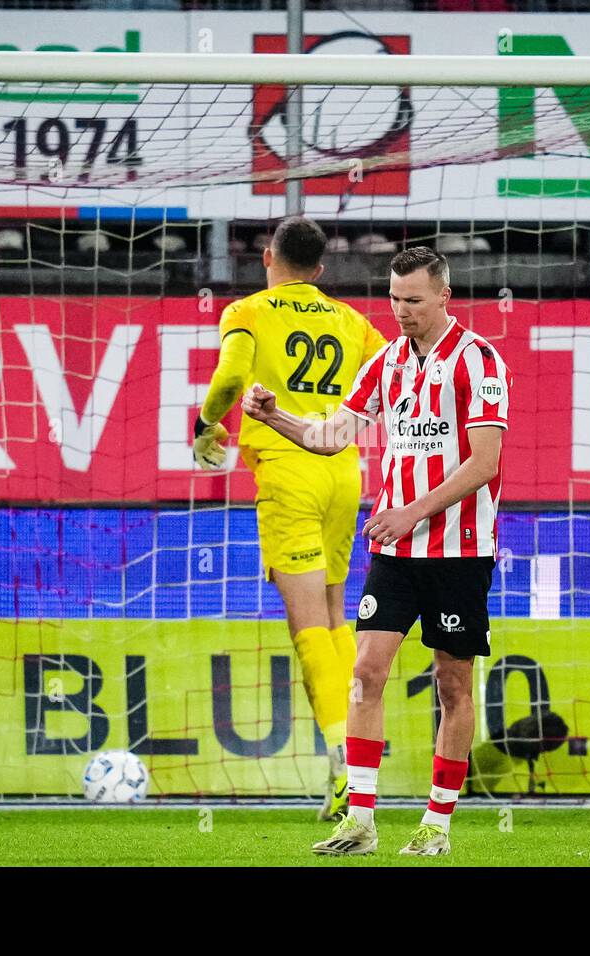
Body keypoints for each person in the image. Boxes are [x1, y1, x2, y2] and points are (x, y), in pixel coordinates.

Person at [241, 246, 511, 856]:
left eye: (413, 300)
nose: (401, 311)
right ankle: (360, 819)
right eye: (394, 299)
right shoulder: (388, 362)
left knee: (452, 683)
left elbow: (486, 462)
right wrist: (276, 415)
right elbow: (333, 435)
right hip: (396, 549)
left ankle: (436, 824)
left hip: (459, 549)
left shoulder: (480, 361)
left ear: (444, 296)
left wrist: (411, 512)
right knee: (365, 672)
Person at [192, 216, 387, 821]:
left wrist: (206, 423)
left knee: (305, 626)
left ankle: (346, 760)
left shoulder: (249, 310)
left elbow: (228, 376)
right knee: (333, 615)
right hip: (342, 471)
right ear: (321, 270)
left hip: (288, 471)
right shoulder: (353, 321)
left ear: (268, 256)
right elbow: (393, 378)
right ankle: (360, 749)